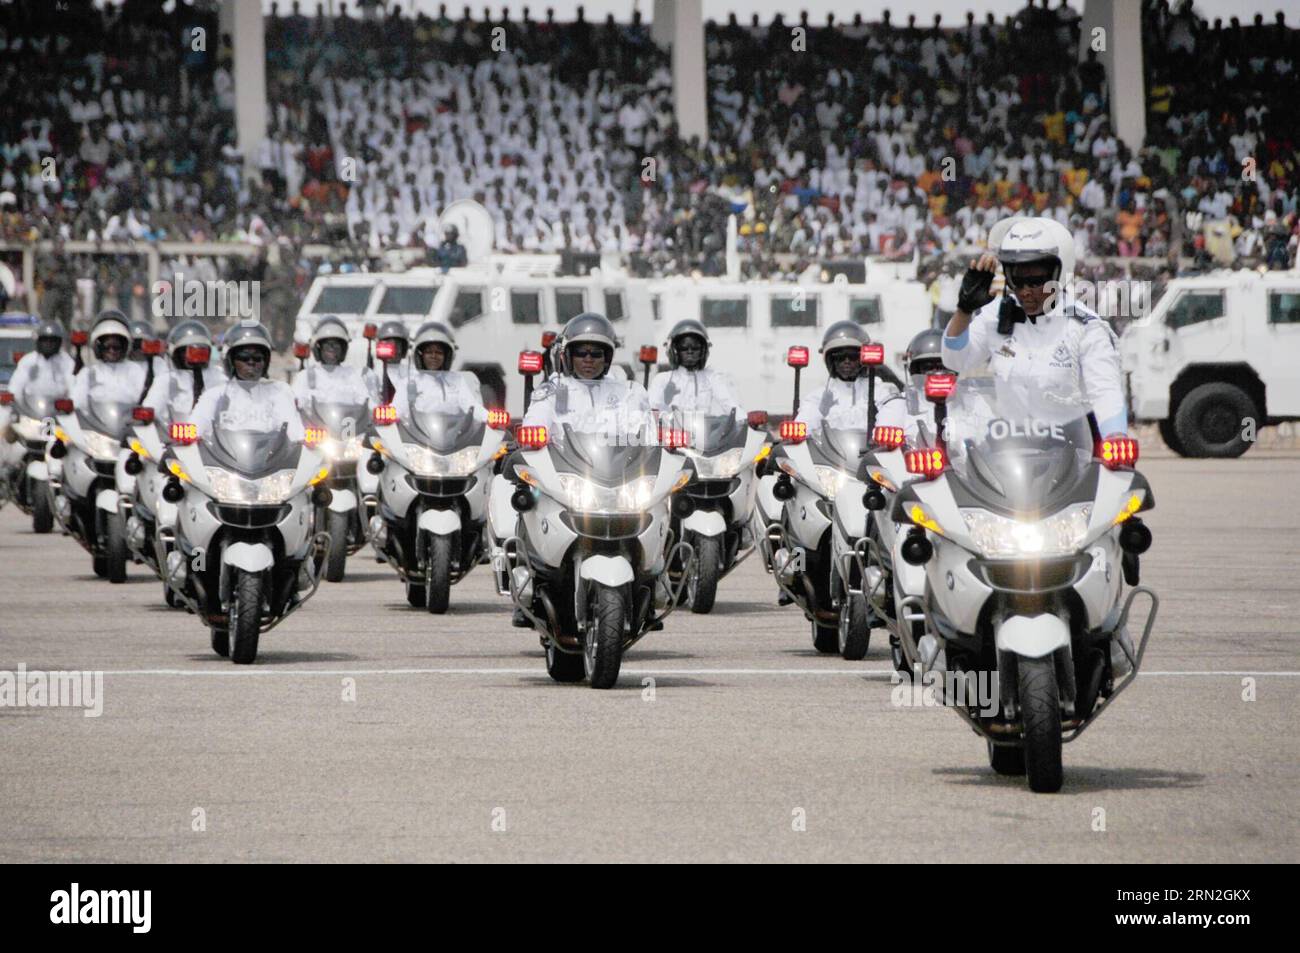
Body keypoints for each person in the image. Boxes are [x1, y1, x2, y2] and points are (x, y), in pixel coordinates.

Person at [941, 216, 1127, 436]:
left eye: (1036, 279)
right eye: (1017, 279)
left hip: (1073, 454)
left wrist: (1116, 436)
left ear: (1058, 274)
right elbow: (955, 360)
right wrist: (964, 310)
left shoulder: (1086, 327)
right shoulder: (996, 315)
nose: (1025, 291)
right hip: (1011, 454)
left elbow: (1106, 392)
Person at [522, 312, 651, 438]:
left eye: (596, 354)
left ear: (607, 358)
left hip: (617, 459)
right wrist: (535, 433)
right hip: (563, 459)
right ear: (569, 356)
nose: (588, 359)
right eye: (580, 353)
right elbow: (535, 424)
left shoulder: (626, 393)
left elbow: (643, 433)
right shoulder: (552, 392)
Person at [187, 323, 304, 442]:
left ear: (266, 361)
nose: (251, 362)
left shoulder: (279, 391)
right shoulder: (215, 395)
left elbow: (294, 431)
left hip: (272, 459)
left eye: (257, 358)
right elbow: (195, 428)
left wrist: (301, 438)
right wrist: (190, 434)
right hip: (223, 460)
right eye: (244, 357)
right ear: (231, 360)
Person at [795, 320, 899, 435]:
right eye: (840, 357)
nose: (847, 362)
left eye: (853, 357)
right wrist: (800, 431)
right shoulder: (818, 397)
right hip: (827, 452)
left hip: (871, 451)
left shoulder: (880, 390)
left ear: (862, 359)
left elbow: (892, 412)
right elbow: (806, 420)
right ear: (831, 361)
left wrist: (886, 431)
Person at [392, 321, 486, 422]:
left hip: (454, 434)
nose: (434, 356)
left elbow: (471, 405)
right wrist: (386, 413)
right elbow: (398, 409)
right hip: (417, 435)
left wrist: (490, 417)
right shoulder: (409, 381)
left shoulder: (457, 380)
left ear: (447, 356)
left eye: (439, 352)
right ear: (420, 355)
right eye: (428, 352)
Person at [648, 319, 741, 418]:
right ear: (674, 351)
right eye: (684, 347)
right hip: (670, 432)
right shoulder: (663, 380)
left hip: (706, 432)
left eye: (695, 347)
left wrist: (744, 418)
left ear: (703, 350)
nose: (690, 351)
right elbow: (650, 409)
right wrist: (665, 404)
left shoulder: (711, 378)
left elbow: (730, 404)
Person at [875, 328, 952, 444]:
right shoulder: (898, 405)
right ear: (914, 370)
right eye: (928, 367)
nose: (935, 373)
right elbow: (882, 449)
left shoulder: (972, 402)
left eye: (942, 366)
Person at [142, 320, 227, 424]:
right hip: (173, 437)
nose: (192, 355)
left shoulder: (218, 378)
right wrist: (146, 416)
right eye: (184, 350)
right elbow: (151, 407)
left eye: (199, 350)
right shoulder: (166, 380)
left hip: (211, 437)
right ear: (174, 353)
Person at [291, 315, 379, 412]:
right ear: (318, 348)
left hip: (349, 425)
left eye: (336, 345)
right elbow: (294, 404)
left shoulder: (354, 375)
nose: (332, 349)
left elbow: (368, 402)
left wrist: (374, 409)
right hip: (314, 425)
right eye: (328, 345)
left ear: (343, 349)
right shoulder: (305, 376)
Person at [69, 310, 148, 409]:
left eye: (116, 347)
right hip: (94, 423)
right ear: (99, 347)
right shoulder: (89, 373)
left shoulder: (135, 370)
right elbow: (76, 403)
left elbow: (146, 402)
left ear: (124, 347)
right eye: (107, 347)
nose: (112, 351)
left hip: (128, 422)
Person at [7, 317, 75, 408]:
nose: (48, 344)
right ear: (38, 341)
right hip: (31, 409)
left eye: (52, 341)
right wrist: (13, 398)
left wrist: (70, 403)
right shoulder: (28, 360)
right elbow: (16, 385)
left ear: (59, 342)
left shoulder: (66, 361)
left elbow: (73, 386)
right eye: (45, 340)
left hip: (59, 411)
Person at [374, 319, 411, 403]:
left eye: (397, 345)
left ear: (403, 348)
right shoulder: (373, 374)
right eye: (388, 344)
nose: (393, 349)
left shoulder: (412, 374)